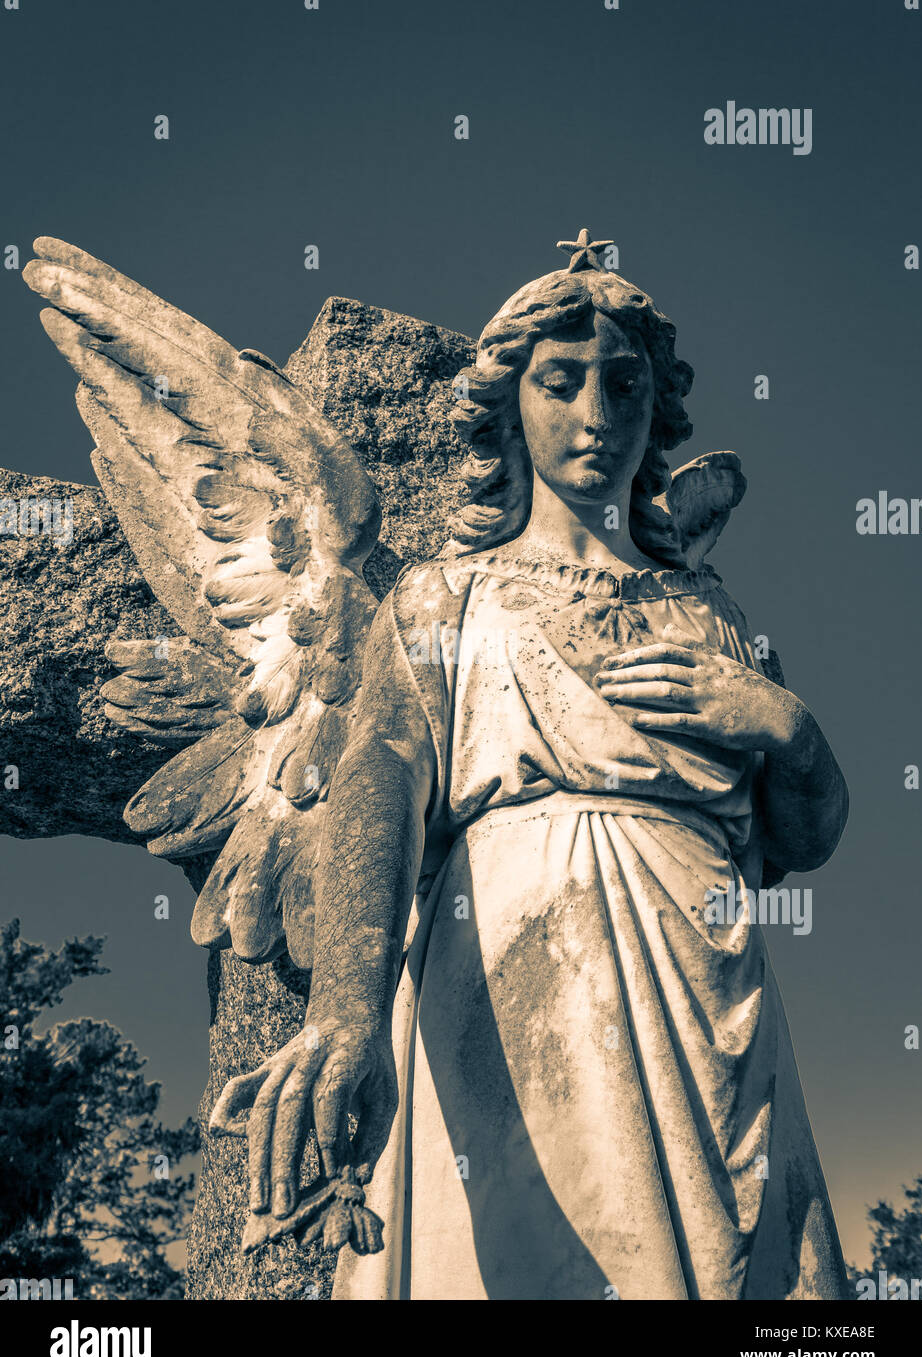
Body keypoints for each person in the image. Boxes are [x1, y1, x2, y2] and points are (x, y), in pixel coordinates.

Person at [214, 234, 849, 1300]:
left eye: (623, 384)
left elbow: (802, 835)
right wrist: (344, 1011)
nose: (595, 412)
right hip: (510, 969)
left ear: (657, 411)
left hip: (710, 993)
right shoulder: (447, 599)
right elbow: (376, 788)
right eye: (560, 383)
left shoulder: (709, 613)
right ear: (511, 404)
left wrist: (787, 727)